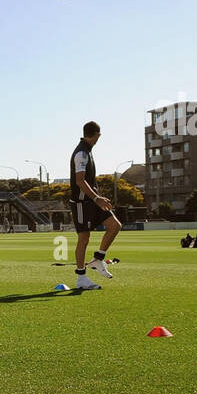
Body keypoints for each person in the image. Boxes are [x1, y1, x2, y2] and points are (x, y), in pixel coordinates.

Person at [69, 121, 121, 290]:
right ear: (97, 135)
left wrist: (97, 197)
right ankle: (81, 278)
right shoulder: (82, 153)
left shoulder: (87, 152)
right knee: (84, 238)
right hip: (81, 203)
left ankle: (98, 259)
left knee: (114, 225)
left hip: (92, 201)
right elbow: (80, 180)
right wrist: (97, 198)